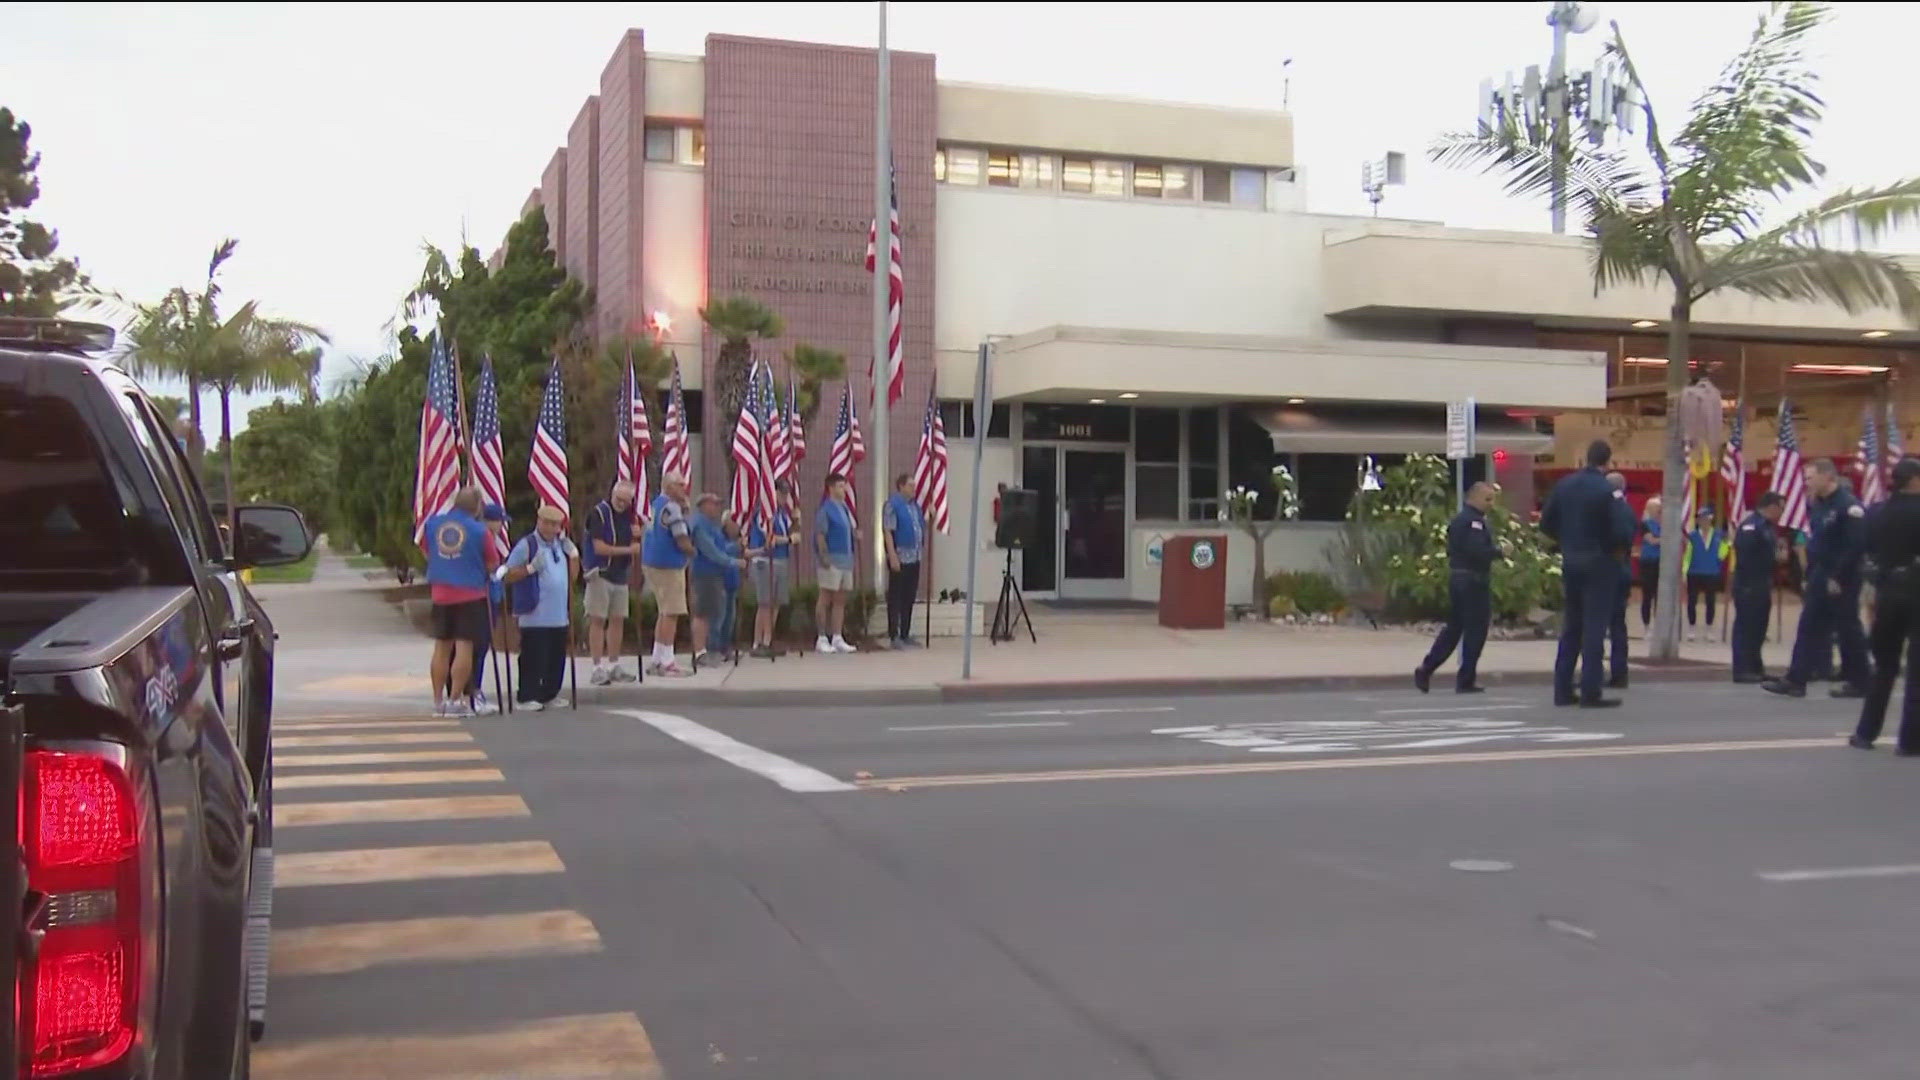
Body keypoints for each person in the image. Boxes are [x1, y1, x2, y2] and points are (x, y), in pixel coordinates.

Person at [1764, 459, 1872, 699]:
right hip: (1820, 573)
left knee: (1848, 628)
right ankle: (1796, 679)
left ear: (1827, 476)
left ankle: (1861, 680)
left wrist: (1838, 576)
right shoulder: (1818, 505)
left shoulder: (1849, 506)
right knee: (1809, 625)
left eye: (1811, 478)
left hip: (1842, 576)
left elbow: (1856, 546)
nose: (1807, 483)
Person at [1540, 440, 1633, 708]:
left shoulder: (1564, 485)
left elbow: (1546, 523)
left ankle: (1562, 689)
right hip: (1601, 563)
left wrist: (1566, 542)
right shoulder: (1607, 490)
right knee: (1594, 628)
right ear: (1608, 462)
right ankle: (1591, 689)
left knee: (1571, 625)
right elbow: (1622, 530)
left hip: (1572, 561)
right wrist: (1613, 549)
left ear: (1586, 458)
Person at [1852, 458, 1920, 752]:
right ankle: (1910, 741)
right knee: (1916, 672)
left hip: (1887, 594)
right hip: (1916, 592)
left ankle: (1866, 733)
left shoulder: (1877, 512)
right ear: (1914, 480)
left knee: (1884, 667)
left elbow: (1866, 552)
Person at [1414, 480, 1499, 694]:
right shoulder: (1472, 522)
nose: (1491, 504)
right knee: (1475, 631)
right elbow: (1476, 550)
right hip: (1472, 581)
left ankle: (1428, 667)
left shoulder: (1463, 520)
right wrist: (1499, 552)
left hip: (1459, 579)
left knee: (1454, 629)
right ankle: (1465, 678)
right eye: (1487, 499)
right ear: (1473, 498)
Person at [422, 486, 499, 717]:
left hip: (441, 593)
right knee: (464, 647)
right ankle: (455, 700)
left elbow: (428, 552)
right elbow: (492, 563)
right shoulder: (479, 531)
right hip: (470, 594)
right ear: (476, 508)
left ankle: (438, 701)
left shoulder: (432, 525)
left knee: (442, 648)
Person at [498, 504, 579, 711]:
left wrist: (574, 556)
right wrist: (531, 568)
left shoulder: (560, 545)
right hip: (535, 613)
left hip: (558, 614)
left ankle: (549, 694)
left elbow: (572, 578)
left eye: (556, 525)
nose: (553, 529)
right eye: (548, 523)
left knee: (555, 656)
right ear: (539, 522)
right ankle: (527, 695)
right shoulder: (528, 544)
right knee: (534, 656)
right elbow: (508, 575)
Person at [581, 481, 641, 686]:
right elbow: (599, 548)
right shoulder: (599, 514)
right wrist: (628, 550)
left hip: (620, 574)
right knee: (598, 619)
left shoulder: (629, 516)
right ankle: (597, 667)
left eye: (626, 501)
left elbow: (634, 538)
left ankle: (614, 664)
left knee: (618, 619)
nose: (622, 504)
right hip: (601, 572)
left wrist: (637, 535)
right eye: (619, 499)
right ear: (612, 494)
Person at [641, 475, 696, 676]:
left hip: (652, 562)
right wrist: (693, 552)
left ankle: (657, 658)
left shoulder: (655, 505)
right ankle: (667, 661)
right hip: (668, 564)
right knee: (671, 612)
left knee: (664, 612)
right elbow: (681, 537)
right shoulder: (671, 508)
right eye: (680, 484)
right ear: (669, 486)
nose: (684, 487)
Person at [1730, 492, 1786, 683]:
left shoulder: (1767, 527)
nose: (1782, 513)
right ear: (1771, 507)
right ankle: (1742, 669)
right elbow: (1745, 555)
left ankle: (1755, 667)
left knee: (1759, 628)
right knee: (1746, 627)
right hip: (1749, 583)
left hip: (1762, 582)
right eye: (1781, 508)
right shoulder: (1751, 525)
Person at [688, 493, 744, 666]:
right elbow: (710, 550)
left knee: (714, 614)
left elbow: (720, 548)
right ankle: (701, 652)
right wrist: (733, 562)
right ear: (704, 505)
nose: (717, 508)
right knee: (703, 614)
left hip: (715, 575)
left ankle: (711, 651)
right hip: (705, 574)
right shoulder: (699, 524)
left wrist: (735, 551)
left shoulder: (713, 525)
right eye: (714, 504)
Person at [749, 481, 796, 657]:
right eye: (781, 493)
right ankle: (758, 641)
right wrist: (790, 539)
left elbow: (786, 533)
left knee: (776, 603)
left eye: (786, 494)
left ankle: (769, 639)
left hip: (781, 559)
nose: (784, 498)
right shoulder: (764, 513)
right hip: (764, 560)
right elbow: (770, 538)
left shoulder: (783, 514)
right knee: (765, 603)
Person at [815, 473, 859, 654]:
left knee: (840, 599)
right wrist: (824, 556)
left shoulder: (845, 509)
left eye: (845, 486)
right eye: (841, 486)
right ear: (831, 488)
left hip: (845, 559)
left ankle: (837, 636)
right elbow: (820, 534)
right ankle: (821, 637)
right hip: (831, 559)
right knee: (826, 597)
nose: (844, 490)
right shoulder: (826, 509)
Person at [883, 472, 925, 649]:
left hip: (915, 556)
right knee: (896, 596)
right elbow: (888, 531)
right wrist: (892, 554)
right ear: (901, 486)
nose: (914, 489)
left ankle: (905, 633)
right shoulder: (893, 505)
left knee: (909, 596)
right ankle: (894, 635)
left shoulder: (915, 506)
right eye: (910, 485)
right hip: (900, 556)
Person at [1604, 472, 1635, 690]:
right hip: (1622, 568)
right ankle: (1619, 671)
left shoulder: (1609, 508)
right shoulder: (1627, 508)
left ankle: (1601, 672)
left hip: (1608, 568)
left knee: (1599, 624)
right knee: (1617, 624)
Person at [1683, 506, 1728, 642]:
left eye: (1705, 518)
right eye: (1700, 519)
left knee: (1710, 601)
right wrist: (1684, 572)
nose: (1703, 521)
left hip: (1711, 572)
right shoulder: (1692, 536)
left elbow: (1723, 552)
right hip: (1694, 571)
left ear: (1710, 519)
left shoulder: (1718, 535)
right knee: (1692, 601)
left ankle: (1709, 628)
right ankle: (1692, 627)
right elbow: (1687, 556)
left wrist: (1722, 553)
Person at [1636, 496, 1663, 628]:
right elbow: (1651, 540)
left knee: (1660, 595)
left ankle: (1659, 624)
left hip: (1661, 562)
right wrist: (1666, 539)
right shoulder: (1645, 524)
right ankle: (1646, 625)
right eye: (1656, 508)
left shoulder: (1664, 524)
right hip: (1648, 562)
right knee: (1647, 594)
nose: (1658, 511)